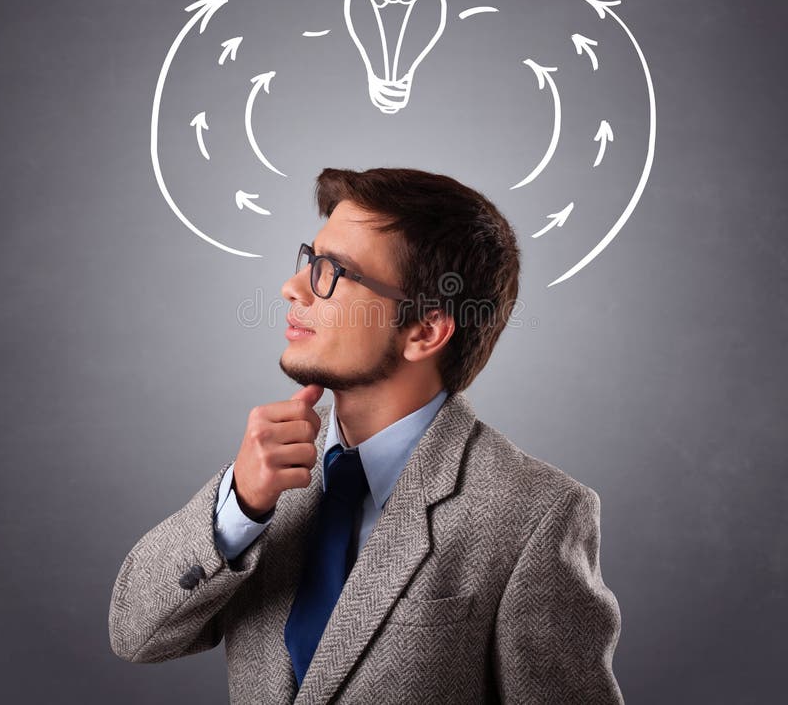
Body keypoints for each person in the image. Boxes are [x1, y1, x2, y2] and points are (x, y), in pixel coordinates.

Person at [108, 167, 624, 704]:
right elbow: (135, 635)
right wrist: (239, 504)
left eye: (332, 271)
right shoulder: (268, 477)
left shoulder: (534, 514)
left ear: (424, 330)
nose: (293, 287)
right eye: (310, 259)